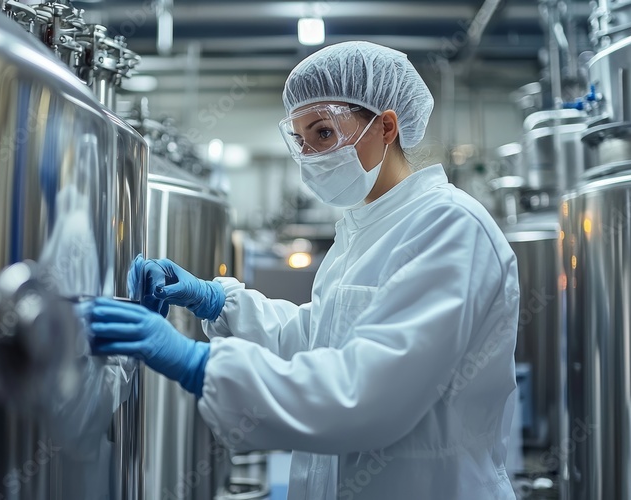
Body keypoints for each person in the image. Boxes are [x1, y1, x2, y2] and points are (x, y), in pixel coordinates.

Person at [87, 41, 520, 499]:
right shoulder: (362, 231)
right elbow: (316, 341)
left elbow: (366, 395)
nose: (311, 155)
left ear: (387, 126)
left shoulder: (449, 227)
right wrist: (217, 301)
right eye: (301, 140)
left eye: (324, 134)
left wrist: (199, 364)